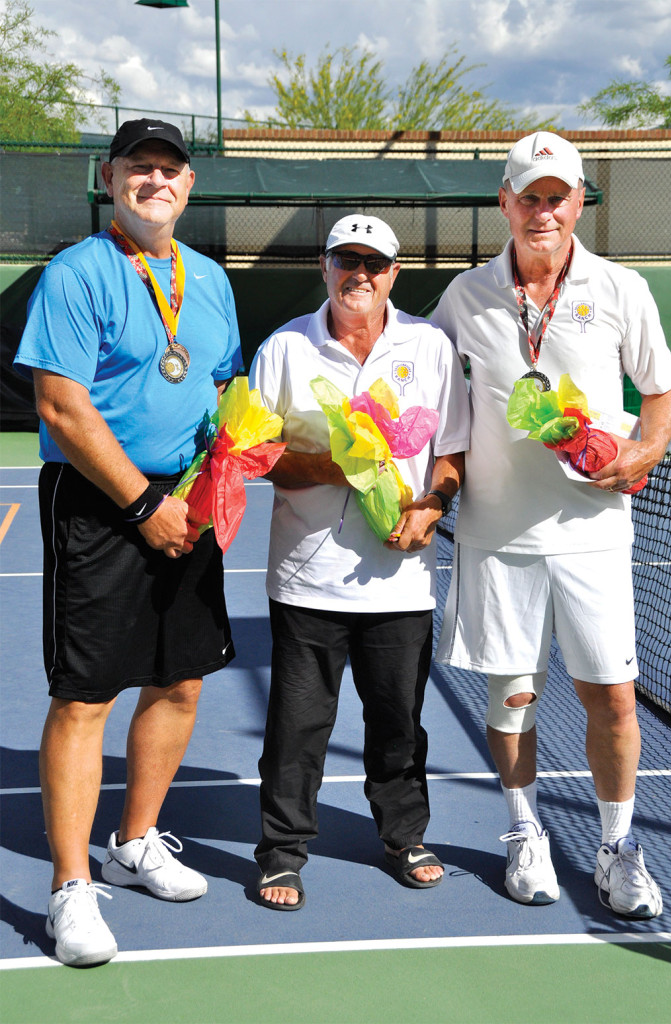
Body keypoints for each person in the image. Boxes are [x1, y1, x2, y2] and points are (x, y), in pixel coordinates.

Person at [431, 131, 671, 918]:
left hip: (595, 532)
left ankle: (615, 848)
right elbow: (424, 393)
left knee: (613, 696)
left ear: (579, 203)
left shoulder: (622, 289)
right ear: (504, 202)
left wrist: (646, 447)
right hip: (497, 536)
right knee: (513, 697)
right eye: (529, 196)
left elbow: (663, 390)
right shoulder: (465, 298)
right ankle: (524, 830)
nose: (544, 210)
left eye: (558, 196)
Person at [14, 119, 242, 965]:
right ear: (108, 178)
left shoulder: (209, 281)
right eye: (139, 168)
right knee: (86, 694)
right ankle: (72, 887)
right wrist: (145, 501)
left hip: (189, 504)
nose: (156, 181)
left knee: (181, 680)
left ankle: (135, 841)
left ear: (189, 187)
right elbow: (61, 406)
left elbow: (218, 384)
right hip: (105, 507)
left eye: (170, 170)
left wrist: (220, 469)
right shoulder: (77, 275)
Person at [248, 214, 469, 909]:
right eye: (347, 260)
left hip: (401, 585)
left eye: (374, 264)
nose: (360, 275)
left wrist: (432, 504)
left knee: (399, 721)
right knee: (296, 727)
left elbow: (453, 452)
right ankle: (282, 852)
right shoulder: (285, 347)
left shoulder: (429, 346)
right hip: (306, 580)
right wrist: (335, 464)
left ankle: (405, 837)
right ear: (325, 266)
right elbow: (256, 456)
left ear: (394, 275)